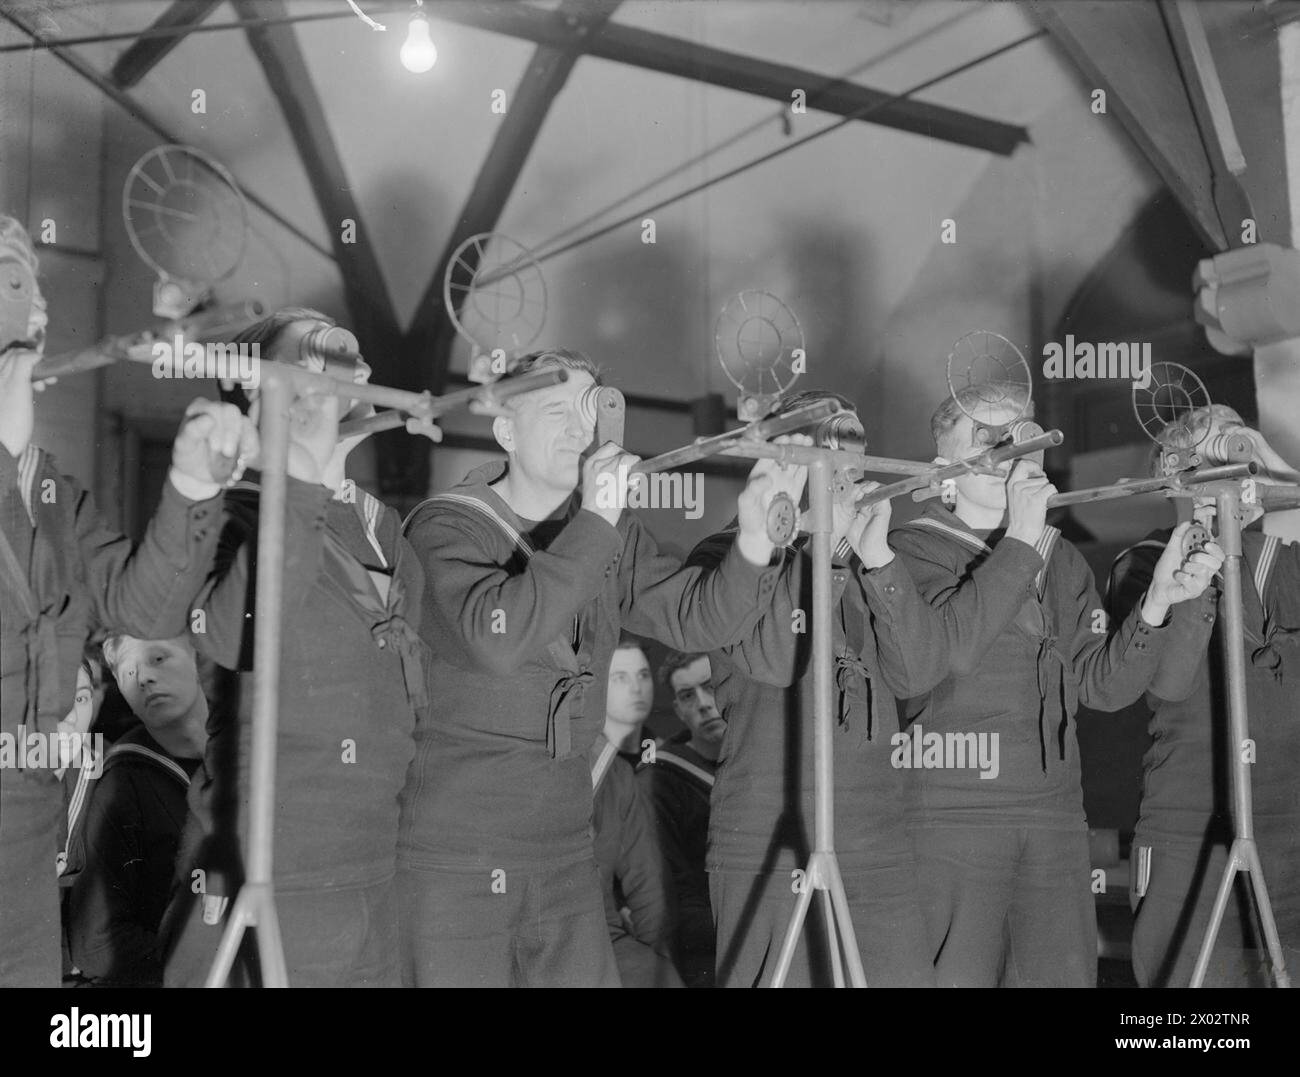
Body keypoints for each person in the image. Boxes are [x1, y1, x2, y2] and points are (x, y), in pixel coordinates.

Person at [398, 348, 798, 987]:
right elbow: (498, 638)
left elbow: (700, 619)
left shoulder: (607, 532)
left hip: (563, 851)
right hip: (457, 856)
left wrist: (754, 538)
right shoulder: (446, 528)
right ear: (505, 431)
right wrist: (598, 519)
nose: (579, 430)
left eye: (589, 410)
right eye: (555, 411)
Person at [889, 385, 1222, 987]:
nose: (1009, 453)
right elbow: (949, 654)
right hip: (950, 816)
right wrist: (1020, 539)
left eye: (1021, 436)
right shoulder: (907, 554)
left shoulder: (1061, 557)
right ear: (944, 474)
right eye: (986, 440)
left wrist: (1156, 606)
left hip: (1054, 819)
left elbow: (1101, 687)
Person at [0, 214, 249, 987]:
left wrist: (192, 486)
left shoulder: (51, 496)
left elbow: (143, 611)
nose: (38, 308)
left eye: (34, 291)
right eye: (13, 283)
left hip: (23, 831)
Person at [161, 308, 433, 987]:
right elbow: (232, 633)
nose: (328, 371)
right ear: (257, 387)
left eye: (343, 356)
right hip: (273, 857)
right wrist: (296, 464)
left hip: (369, 861)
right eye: (305, 360)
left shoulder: (383, 526)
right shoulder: (226, 506)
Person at [688, 392, 947, 988]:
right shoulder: (727, 557)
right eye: (830, 472)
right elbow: (777, 660)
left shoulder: (865, 560)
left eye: (855, 473)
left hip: (877, 835)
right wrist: (821, 557)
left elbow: (919, 672)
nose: (848, 487)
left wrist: (879, 561)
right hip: (770, 835)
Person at [1109, 406, 1300, 986]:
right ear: (1177, 474)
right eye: (1221, 458)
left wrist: (1274, 468)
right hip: (1192, 824)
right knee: (1198, 1015)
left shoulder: (1282, 561)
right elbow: (1168, 681)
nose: (1238, 475)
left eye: (1240, 458)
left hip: (1288, 823)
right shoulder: (1144, 565)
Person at [68, 634, 208, 986]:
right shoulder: (125, 781)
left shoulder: (257, 750)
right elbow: (95, 943)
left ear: (200, 660)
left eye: (158, 659)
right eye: (128, 673)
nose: (143, 677)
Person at [590, 640, 681, 988]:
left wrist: (659, 960)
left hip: (604, 933)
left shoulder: (624, 776)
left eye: (642, 675)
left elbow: (647, 880)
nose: (635, 688)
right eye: (620, 678)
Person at [640, 650, 722, 987]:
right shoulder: (661, 777)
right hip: (709, 944)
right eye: (688, 696)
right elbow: (673, 892)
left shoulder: (765, 756)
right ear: (678, 710)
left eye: (712, 686)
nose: (703, 704)